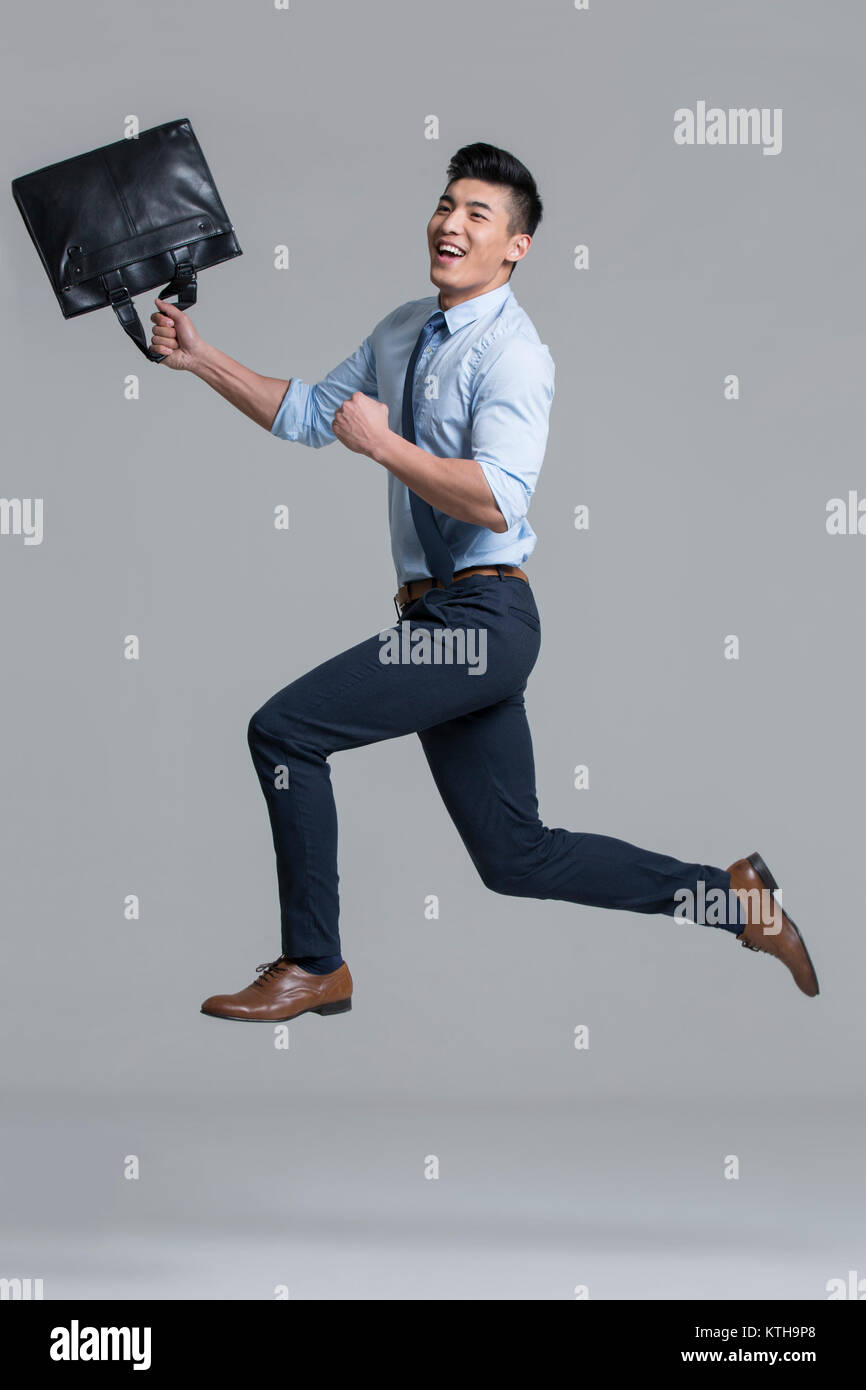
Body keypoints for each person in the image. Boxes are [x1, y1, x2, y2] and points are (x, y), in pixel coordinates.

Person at [149, 141, 820, 1024]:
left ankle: (316, 964)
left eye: (477, 214)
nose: (450, 224)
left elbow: (500, 499)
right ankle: (734, 900)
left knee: (284, 733)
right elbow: (312, 414)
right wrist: (203, 358)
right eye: (445, 204)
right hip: (442, 616)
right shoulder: (399, 330)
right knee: (517, 858)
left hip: (484, 615)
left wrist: (386, 446)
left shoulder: (514, 353)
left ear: (517, 247)